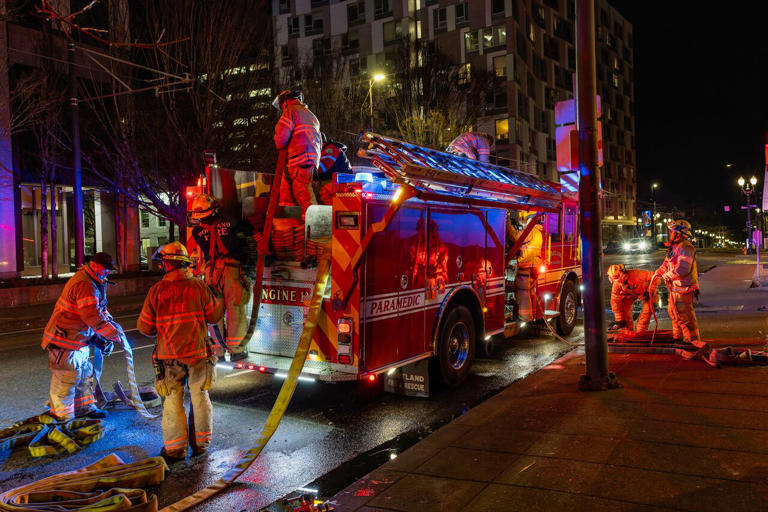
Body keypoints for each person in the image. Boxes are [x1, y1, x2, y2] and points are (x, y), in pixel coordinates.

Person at [137, 242, 224, 460]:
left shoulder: (157, 291)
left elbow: (145, 328)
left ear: (166, 264)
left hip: (169, 358)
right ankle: (201, 445)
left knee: (173, 399)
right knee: (201, 396)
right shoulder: (198, 287)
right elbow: (215, 317)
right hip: (198, 356)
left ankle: (176, 450)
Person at [42, 252, 126, 420]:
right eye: (106, 269)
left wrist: (102, 335)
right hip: (65, 343)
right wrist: (113, 335)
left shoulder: (93, 281)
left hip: (77, 341)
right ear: (95, 266)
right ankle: (62, 420)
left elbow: (99, 311)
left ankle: (85, 408)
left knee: (83, 375)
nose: (108, 273)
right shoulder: (85, 284)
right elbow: (92, 316)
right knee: (66, 381)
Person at [190, 193, 255, 360]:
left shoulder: (197, 232)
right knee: (235, 310)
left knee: (215, 312)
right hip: (231, 271)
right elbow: (248, 231)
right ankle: (236, 350)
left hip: (211, 274)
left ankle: (218, 352)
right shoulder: (229, 222)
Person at [273, 90, 322, 219]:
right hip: (311, 162)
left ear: (286, 102)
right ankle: (292, 227)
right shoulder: (312, 116)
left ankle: (316, 230)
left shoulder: (291, 112)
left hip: (299, 160)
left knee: (305, 197)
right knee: (290, 192)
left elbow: (280, 140)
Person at [654, 219, 701, 345]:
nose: (669, 234)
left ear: (678, 234)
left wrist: (667, 275)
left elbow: (683, 269)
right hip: (675, 290)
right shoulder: (674, 248)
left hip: (684, 290)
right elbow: (666, 263)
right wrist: (658, 272)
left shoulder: (686, 247)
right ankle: (678, 338)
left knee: (685, 317)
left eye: (671, 232)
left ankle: (692, 341)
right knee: (675, 315)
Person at [607, 264, 658, 332]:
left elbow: (655, 276)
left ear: (624, 272)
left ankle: (641, 330)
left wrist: (650, 290)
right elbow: (615, 302)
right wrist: (619, 320)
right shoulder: (617, 284)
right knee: (624, 307)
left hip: (646, 294)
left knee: (647, 310)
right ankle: (627, 331)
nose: (620, 282)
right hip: (630, 295)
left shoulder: (637, 274)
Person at [514, 211, 543, 321]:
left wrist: (507, 222)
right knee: (530, 291)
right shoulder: (538, 231)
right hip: (534, 267)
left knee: (523, 291)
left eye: (523, 219)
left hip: (526, 266)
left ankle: (525, 317)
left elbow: (515, 236)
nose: (522, 222)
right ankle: (532, 315)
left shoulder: (529, 231)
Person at [316, 135, 352, 205]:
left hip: (336, 183)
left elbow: (323, 166)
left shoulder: (330, 149)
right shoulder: (327, 149)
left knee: (311, 190)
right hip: (336, 182)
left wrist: (308, 172)